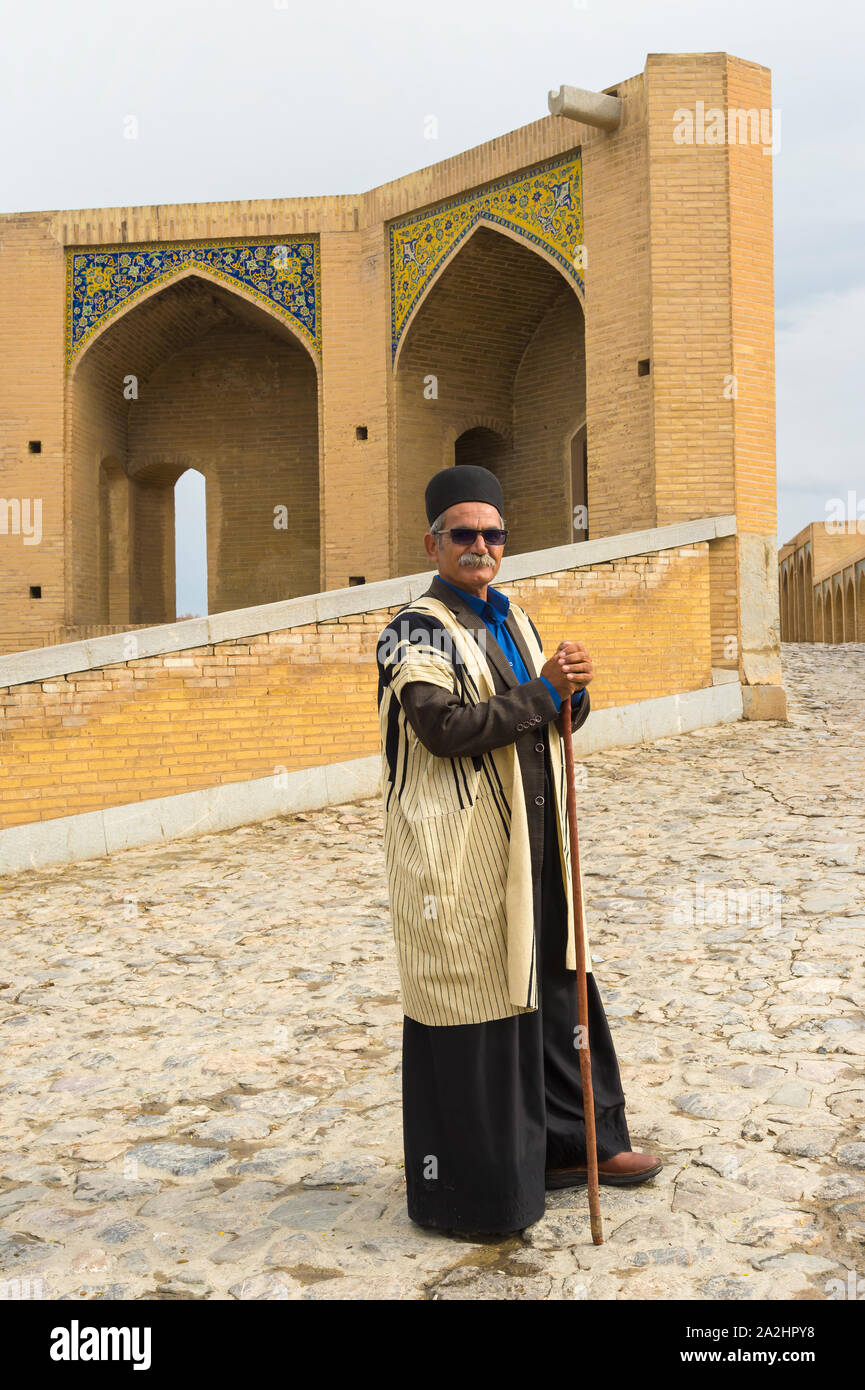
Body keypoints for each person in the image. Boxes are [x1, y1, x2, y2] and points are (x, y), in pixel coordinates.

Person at [375, 464, 662, 1236]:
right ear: (432, 541)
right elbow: (442, 732)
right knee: (481, 1001)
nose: (480, 546)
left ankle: (577, 1147)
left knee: (559, 990)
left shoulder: (512, 617)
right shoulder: (415, 629)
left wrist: (572, 693)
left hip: (533, 848)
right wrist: (541, 690)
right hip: (461, 859)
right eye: (463, 534)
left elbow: (540, 717)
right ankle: (482, 1188)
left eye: (492, 533)